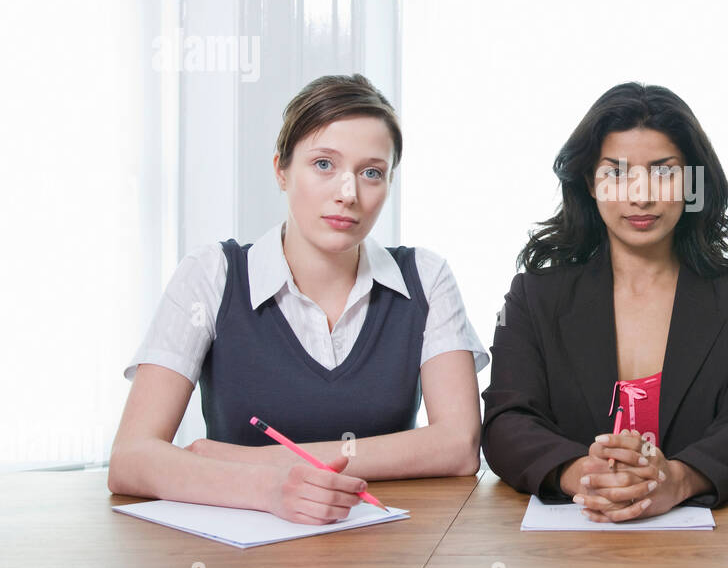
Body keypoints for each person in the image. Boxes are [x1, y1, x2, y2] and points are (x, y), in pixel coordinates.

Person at [109, 74, 488, 523]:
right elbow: (131, 458)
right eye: (324, 164)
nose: (348, 194)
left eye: (371, 173)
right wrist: (267, 487)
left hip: (382, 548)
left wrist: (252, 459)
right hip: (243, 557)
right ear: (281, 170)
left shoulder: (425, 276)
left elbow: (459, 446)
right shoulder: (212, 274)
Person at [481, 83, 728, 521]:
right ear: (590, 182)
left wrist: (678, 479)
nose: (640, 195)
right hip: (566, 551)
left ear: (693, 181)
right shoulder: (534, 296)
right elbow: (506, 422)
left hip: (716, 552)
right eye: (617, 172)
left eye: (664, 172)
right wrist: (582, 474)